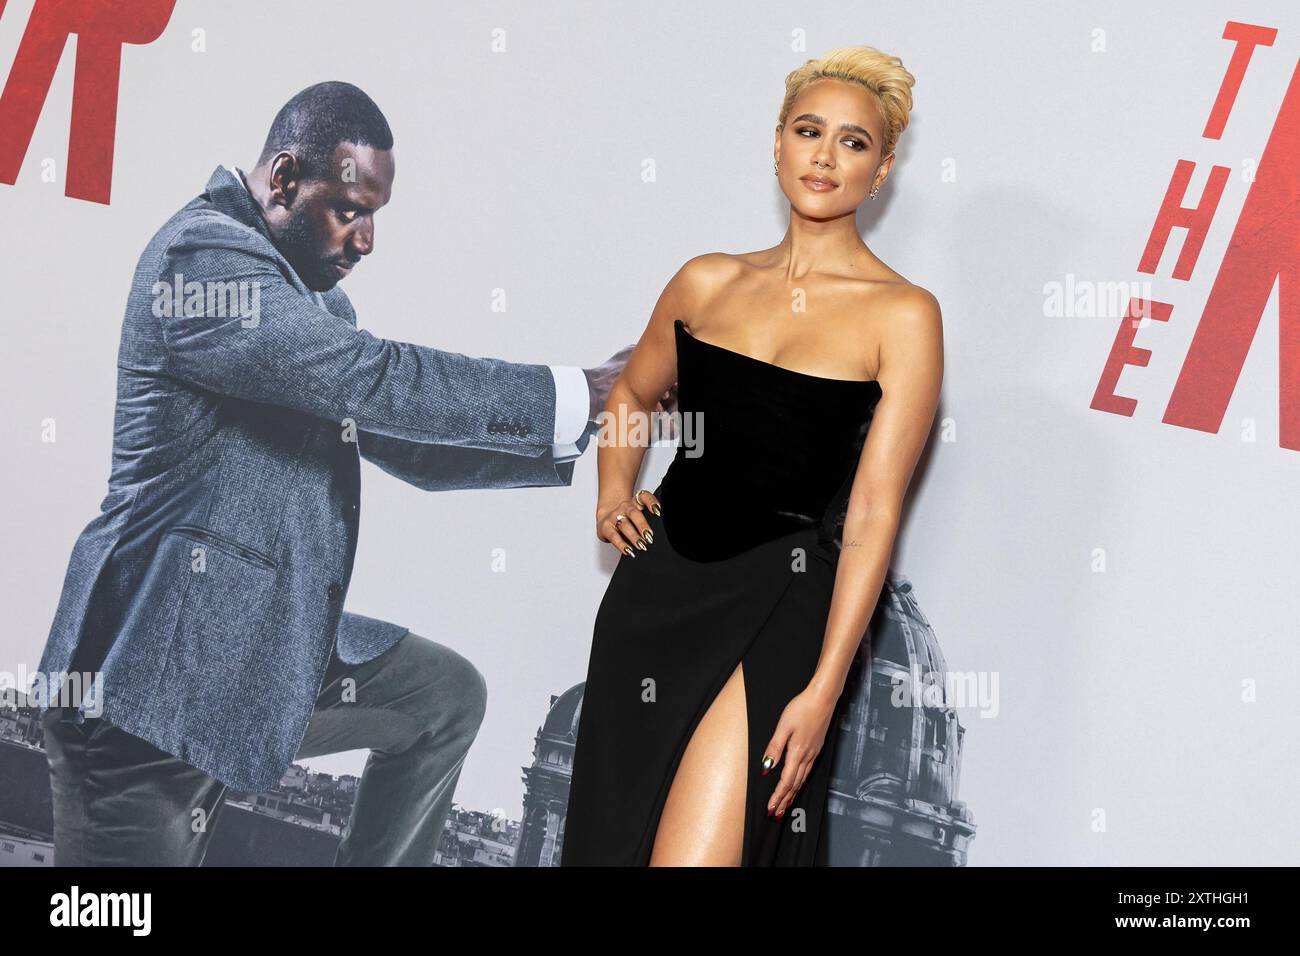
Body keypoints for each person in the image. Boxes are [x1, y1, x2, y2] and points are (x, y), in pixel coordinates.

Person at [33, 81, 647, 866]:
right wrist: (574, 387)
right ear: (284, 180)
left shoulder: (312, 306)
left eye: (374, 219)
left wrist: (590, 409)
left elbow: (409, 440)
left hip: (258, 659)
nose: (365, 241)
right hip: (142, 692)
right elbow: (373, 379)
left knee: (442, 697)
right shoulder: (204, 260)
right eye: (349, 211)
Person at [561, 46, 943, 866]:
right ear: (778, 145)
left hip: (781, 607)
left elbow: (875, 514)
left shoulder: (904, 316)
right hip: (657, 594)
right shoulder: (707, 281)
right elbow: (629, 396)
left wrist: (827, 683)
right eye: (811, 131)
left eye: (854, 142)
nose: (826, 156)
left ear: (880, 174)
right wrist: (612, 493)